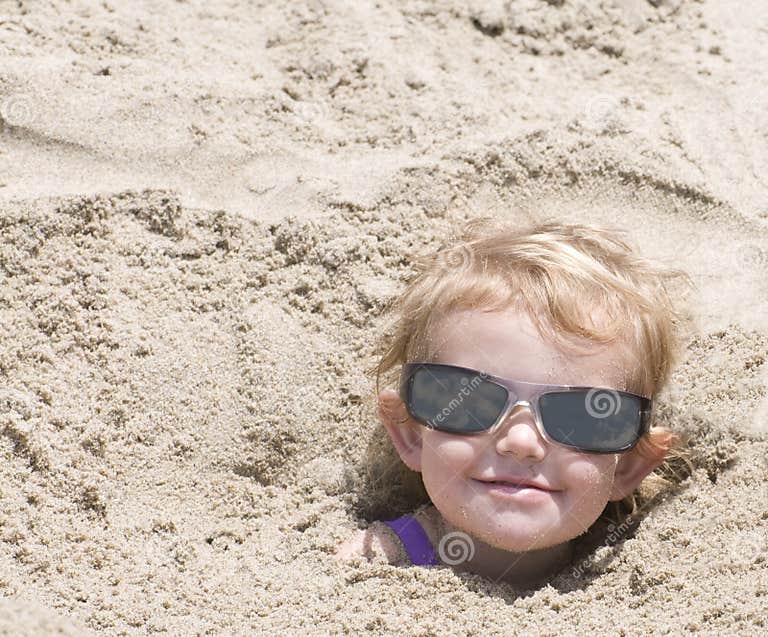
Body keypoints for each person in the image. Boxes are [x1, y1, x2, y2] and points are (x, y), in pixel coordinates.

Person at [334, 216, 695, 588]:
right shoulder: (375, 561)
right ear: (412, 433)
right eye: (471, 401)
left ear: (628, 465)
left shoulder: (643, 576)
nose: (521, 443)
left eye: (578, 416)